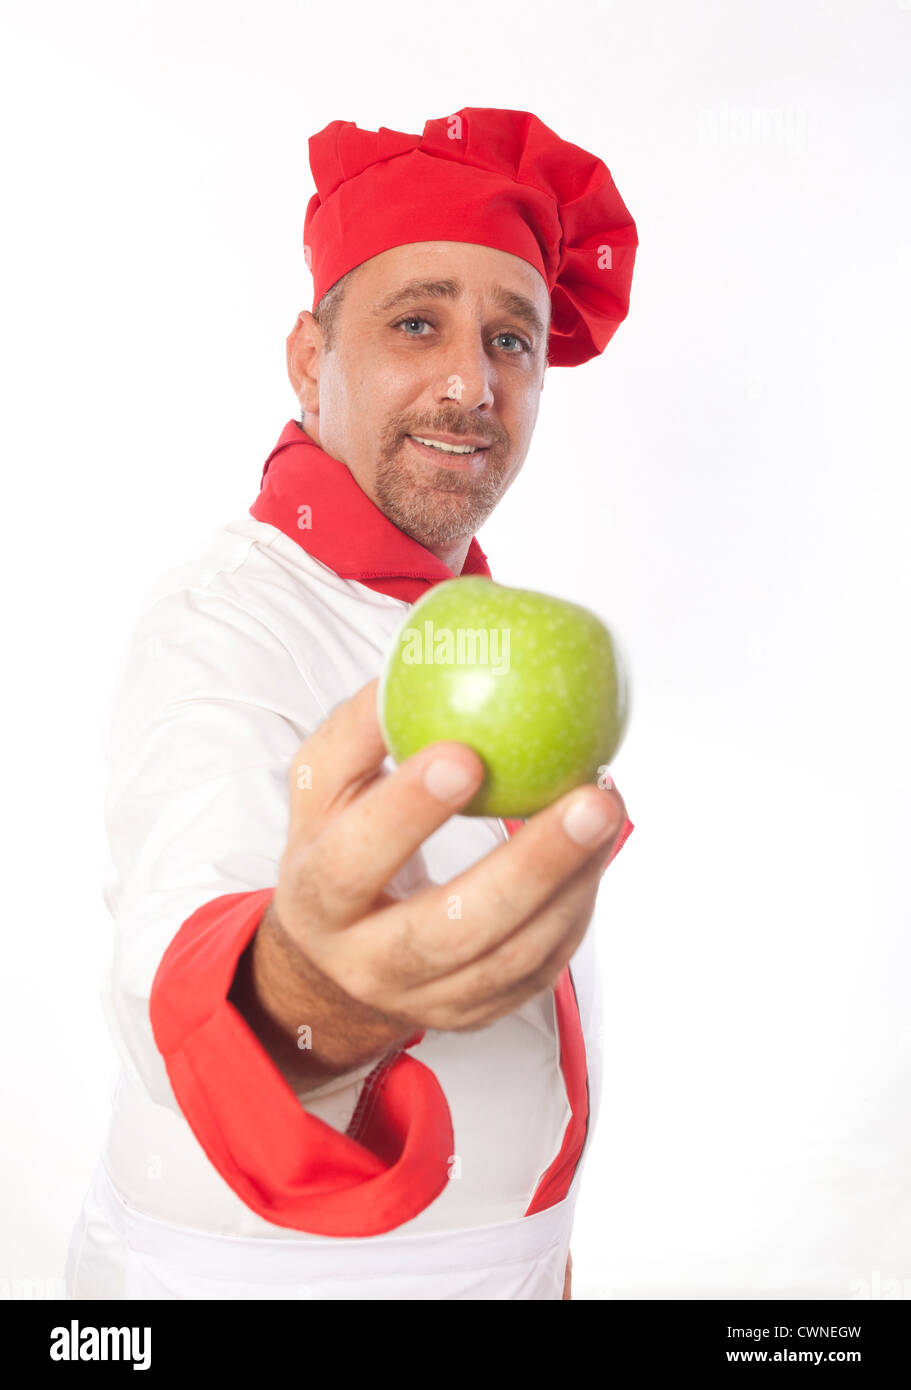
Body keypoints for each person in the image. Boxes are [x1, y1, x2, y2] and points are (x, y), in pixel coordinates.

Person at [64, 105, 638, 1301]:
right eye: (416, 322)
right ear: (311, 360)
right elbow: (186, 939)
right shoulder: (219, 619)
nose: (469, 384)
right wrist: (309, 999)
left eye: (511, 341)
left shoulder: (472, 633)